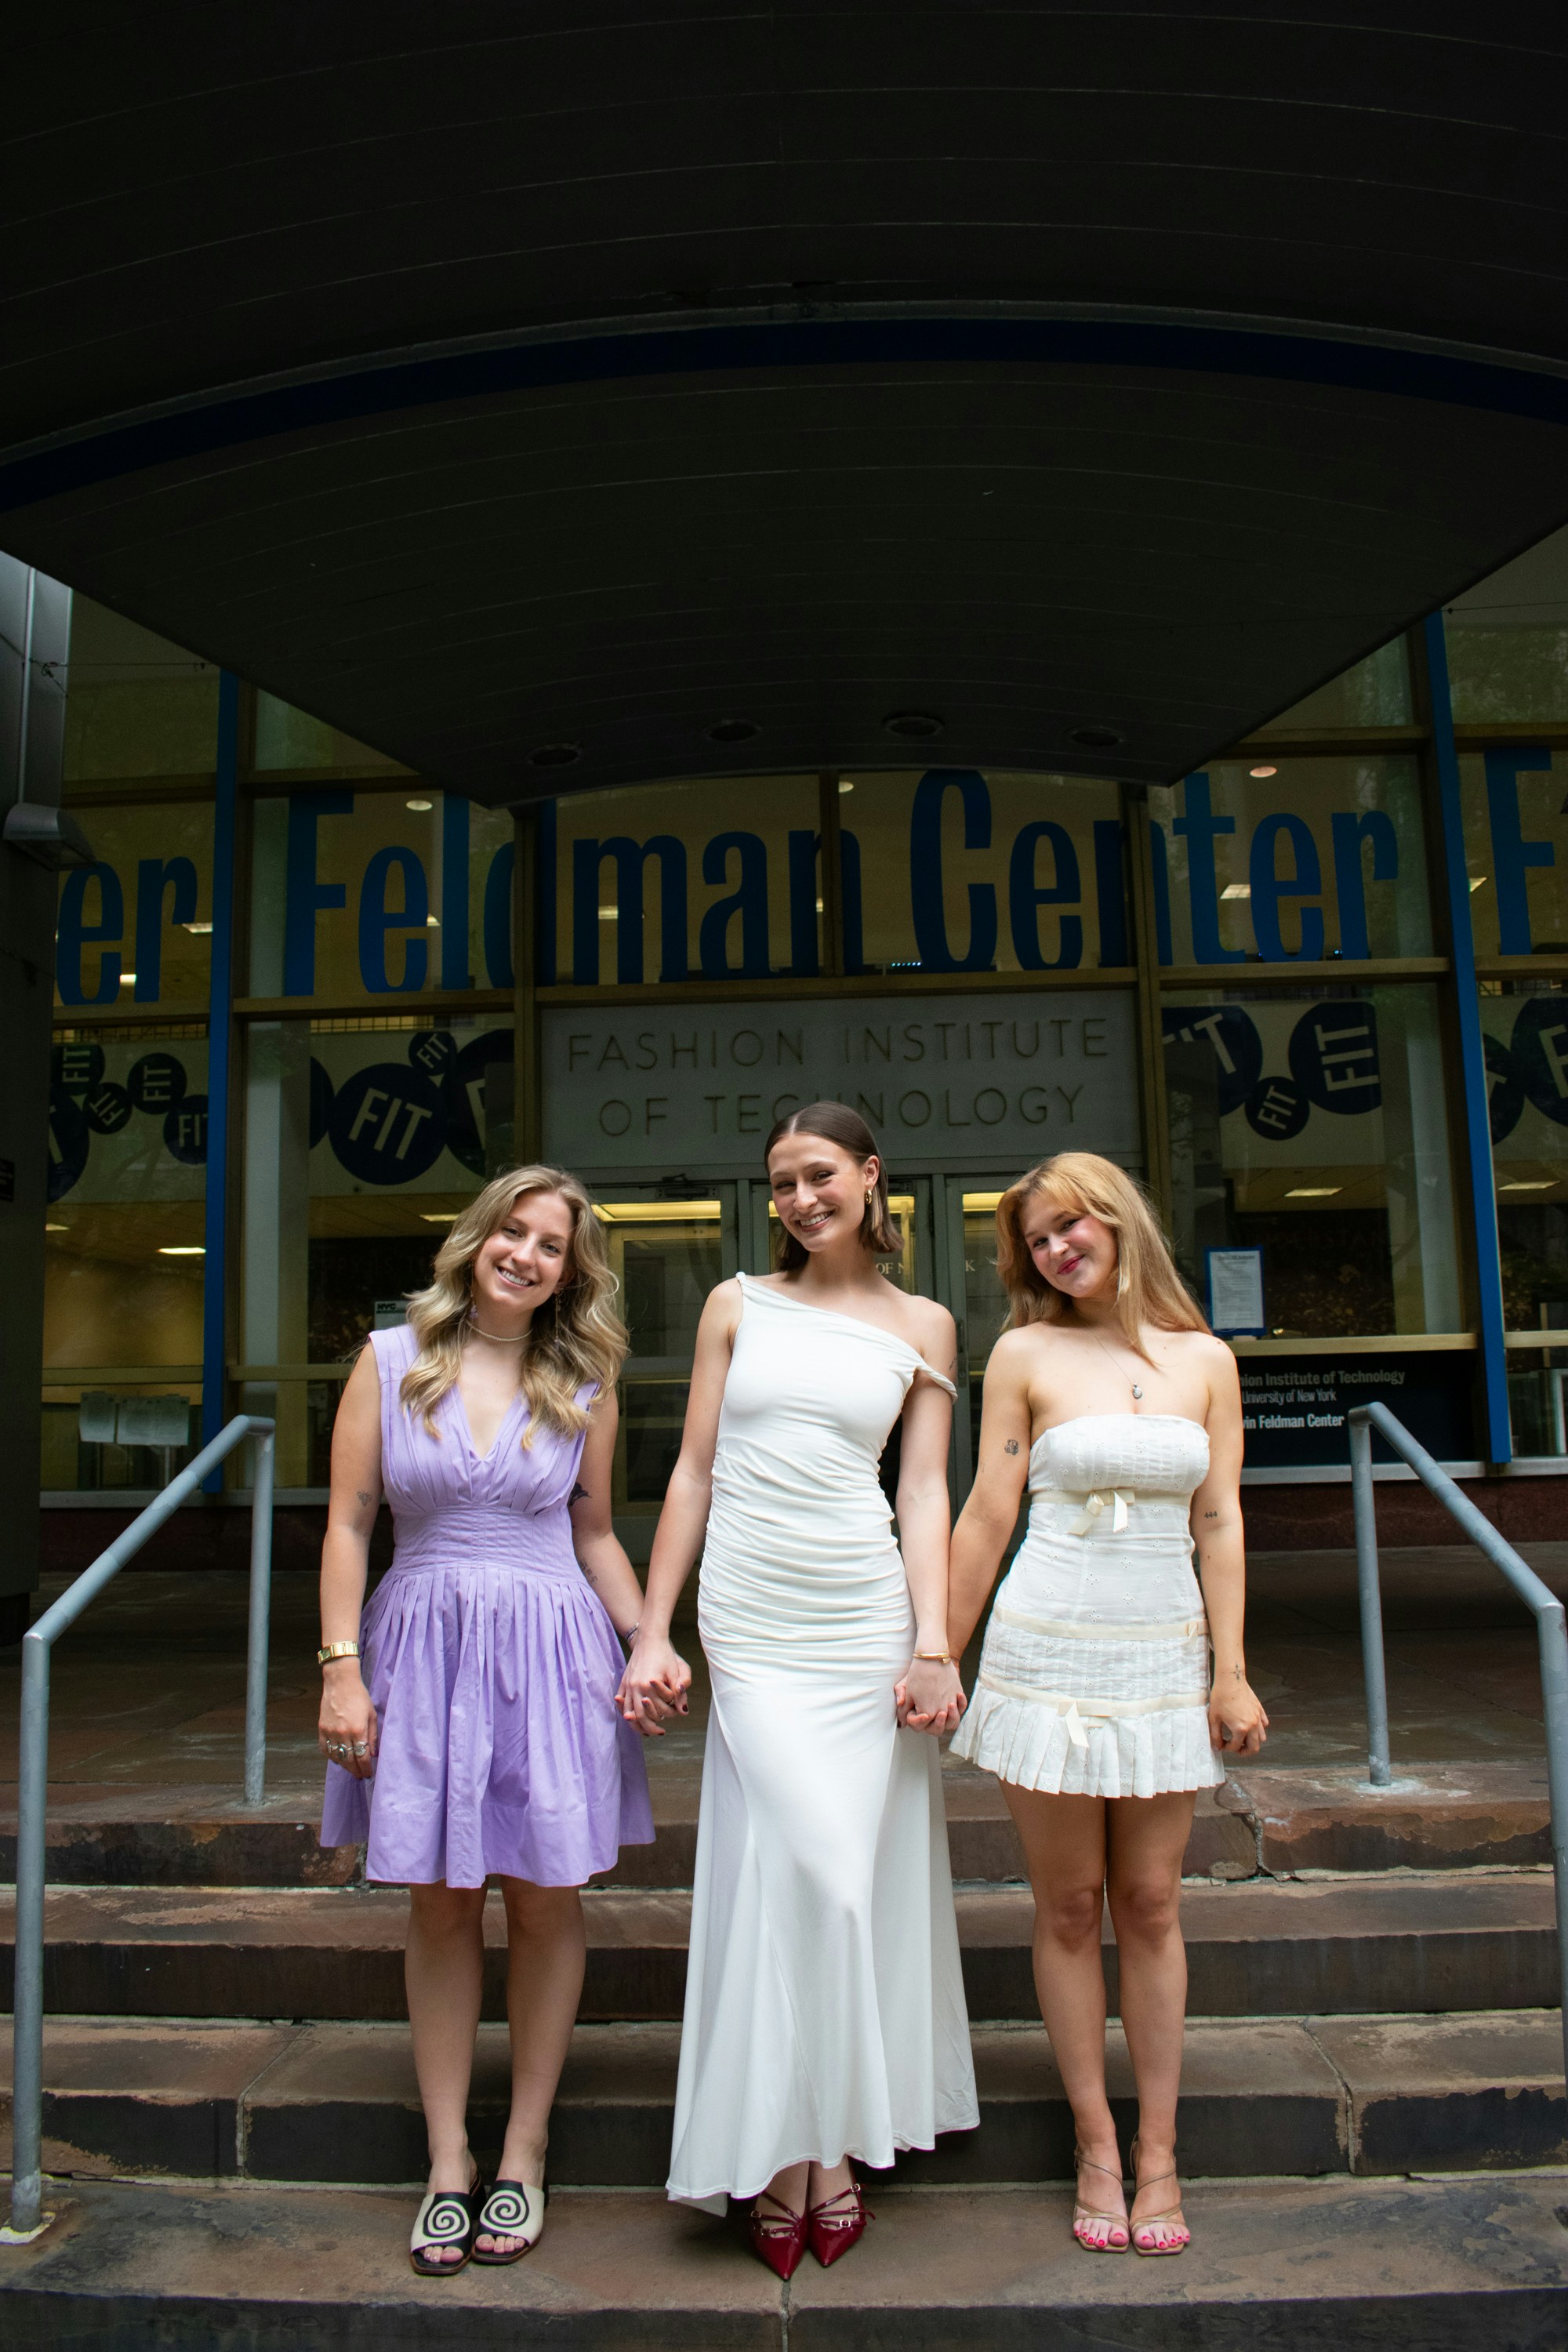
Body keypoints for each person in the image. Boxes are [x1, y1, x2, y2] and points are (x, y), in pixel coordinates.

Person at [620, 1104, 978, 2276]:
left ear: (871, 1176)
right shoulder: (737, 1303)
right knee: (801, 1868)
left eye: (819, 1174)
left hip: (864, 1616)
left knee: (838, 1886)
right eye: (780, 1182)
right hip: (754, 1618)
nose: (799, 1198)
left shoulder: (926, 1323)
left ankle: (813, 2151)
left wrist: (934, 1639)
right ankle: (797, 2153)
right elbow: (693, 1468)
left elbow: (922, 1490)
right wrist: (653, 1629)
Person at [318, 1165, 680, 2277]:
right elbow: (348, 1525)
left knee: (544, 1897)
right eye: (512, 1233)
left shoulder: (583, 1378)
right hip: (420, 1649)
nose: (526, 1255)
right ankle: (447, 2160)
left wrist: (648, 1639)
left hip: (551, 1652)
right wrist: (339, 1670)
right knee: (437, 1901)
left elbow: (596, 1534)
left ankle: (524, 2149)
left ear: (571, 1270)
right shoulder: (391, 1362)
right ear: (477, 1241)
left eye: (550, 1244)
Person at [947, 1152, 1267, 2258]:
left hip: (1163, 1659)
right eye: (1035, 1241)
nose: (1054, 1251)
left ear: (1120, 1219)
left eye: (1068, 1226)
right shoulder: (1024, 1353)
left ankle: (1159, 2150)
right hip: (1044, 1652)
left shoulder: (1206, 1360)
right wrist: (941, 1650)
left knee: (1153, 1903)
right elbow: (988, 1511)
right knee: (1071, 1906)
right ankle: (1095, 2142)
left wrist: (1231, 1669)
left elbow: (1219, 1520)